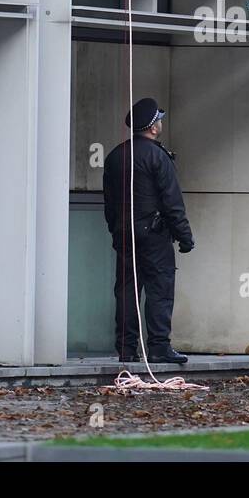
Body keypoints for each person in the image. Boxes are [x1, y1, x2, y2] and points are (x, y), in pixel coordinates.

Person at [102, 97, 195, 365]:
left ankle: (126, 348)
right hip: (153, 235)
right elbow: (171, 201)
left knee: (127, 290)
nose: (161, 124)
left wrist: (115, 230)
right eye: (160, 120)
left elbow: (109, 201)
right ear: (153, 127)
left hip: (124, 234)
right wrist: (185, 236)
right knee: (160, 289)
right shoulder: (158, 157)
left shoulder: (115, 156)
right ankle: (158, 346)